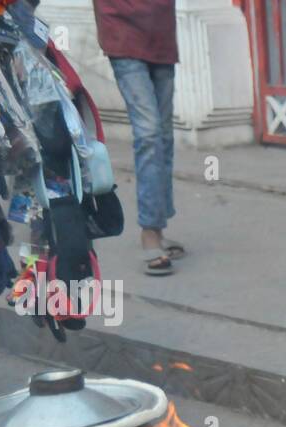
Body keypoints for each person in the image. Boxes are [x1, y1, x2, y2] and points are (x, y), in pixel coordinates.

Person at [92, 0, 184, 276]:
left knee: (163, 135)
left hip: (161, 33)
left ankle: (158, 224)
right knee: (149, 132)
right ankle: (149, 232)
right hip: (122, 32)